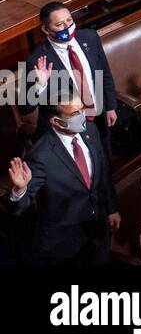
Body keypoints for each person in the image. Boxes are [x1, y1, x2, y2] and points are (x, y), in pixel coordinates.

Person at [4, 97, 118, 264]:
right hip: (65, 244)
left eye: (82, 109)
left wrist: (112, 209)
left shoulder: (91, 131)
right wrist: (19, 190)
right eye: (75, 113)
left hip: (98, 230)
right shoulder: (40, 156)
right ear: (56, 121)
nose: (82, 116)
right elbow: (18, 208)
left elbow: (103, 174)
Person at [22, 1, 117, 158]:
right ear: (46, 29)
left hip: (98, 116)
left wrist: (110, 106)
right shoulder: (36, 60)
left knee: (105, 160)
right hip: (66, 128)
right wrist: (39, 83)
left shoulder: (90, 37)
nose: (67, 27)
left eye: (69, 21)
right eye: (59, 24)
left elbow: (104, 73)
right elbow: (25, 107)